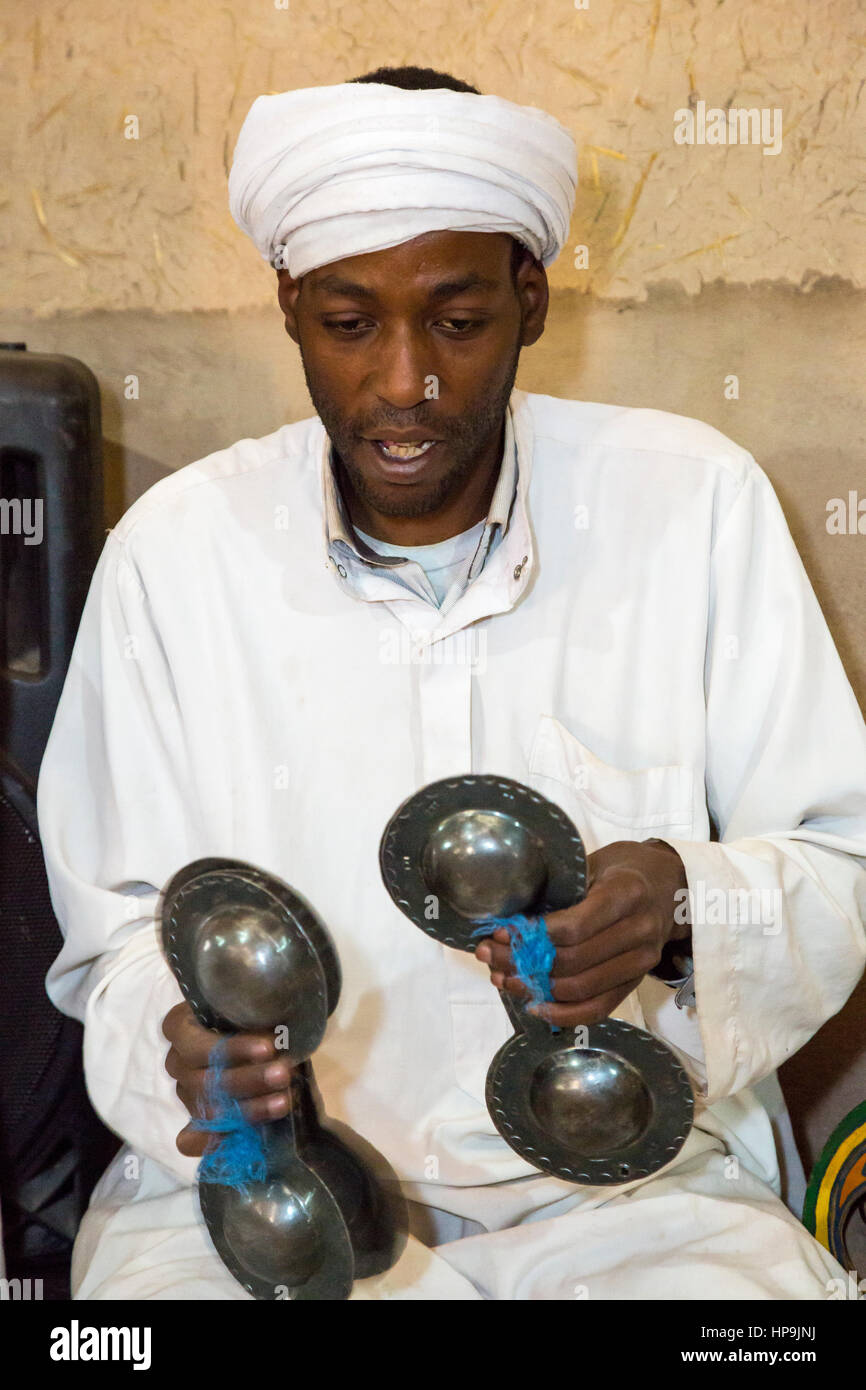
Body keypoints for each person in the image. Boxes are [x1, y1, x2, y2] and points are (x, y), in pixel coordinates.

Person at [37, 65, 866, 1301]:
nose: (402, 383)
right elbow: (115, 945)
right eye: (348, 320)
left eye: (458, 320)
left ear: (529, 298)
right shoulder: (177, 554)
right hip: (266, 1197)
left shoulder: (692, 502)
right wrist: (188, 1047)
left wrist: (681, 902)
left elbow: (838, 857)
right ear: (287, 307)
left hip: (639, 1202)